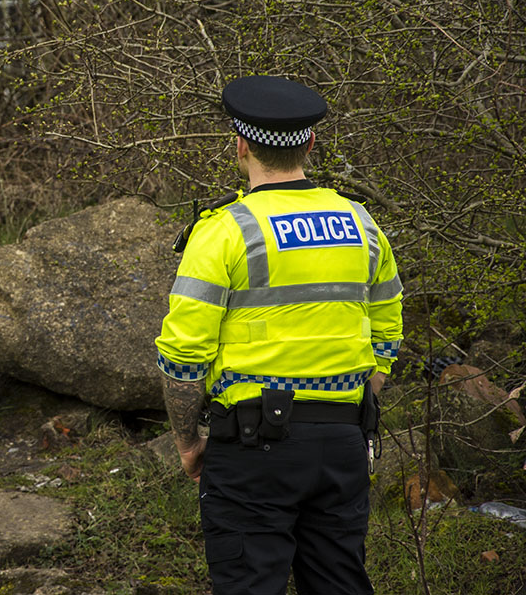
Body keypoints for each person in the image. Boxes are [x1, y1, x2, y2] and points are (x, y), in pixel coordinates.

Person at [155, 74, 404, 595]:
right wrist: (353, 408)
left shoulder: (224, 230)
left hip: (252, 448)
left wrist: (186, 443)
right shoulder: (361, 223)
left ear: (241, 146)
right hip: (342, 441)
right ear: (310, 143)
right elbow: (386, 336)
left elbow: (183, 359)